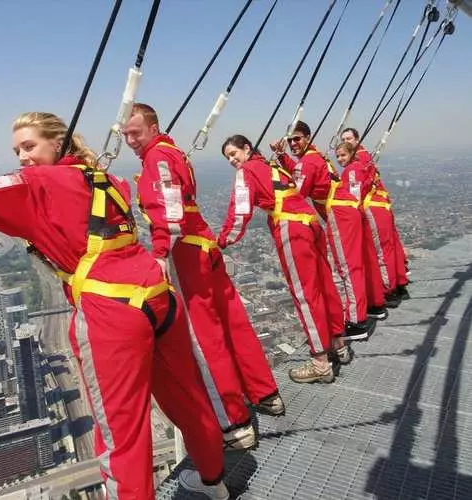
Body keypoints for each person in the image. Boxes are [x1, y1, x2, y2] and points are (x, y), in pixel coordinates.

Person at [0, 112, 229, 500]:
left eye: (29, 146)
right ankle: (214, 483)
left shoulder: (37, 183)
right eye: (17, 150)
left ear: (57, 144)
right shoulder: (109, 180)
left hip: (111, 311)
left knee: (121, 435)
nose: (23, 157)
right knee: (189, 398)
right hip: (159, 296)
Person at [123, 104, 284, 450]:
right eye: (125, 135)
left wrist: (161, 250)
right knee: (234, 323)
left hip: (185, 253)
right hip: (205, 244)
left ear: (153, 127)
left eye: (135, 132)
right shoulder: (174, 153)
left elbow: (168, 207)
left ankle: (234, 423)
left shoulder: (157, 158)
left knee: (203, 338)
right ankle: (265, 392)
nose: (130, 141)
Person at [219, 134, 353, 384]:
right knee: (325, 287)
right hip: (311, 223)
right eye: (228, 157)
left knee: (305, 295)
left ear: (247, 149)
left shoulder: (247, 171)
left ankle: (320, 363)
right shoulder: (273, 165)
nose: (231, 160)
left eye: (233, 154)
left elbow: (239, 212)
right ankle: (339, 346)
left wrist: (223, 241)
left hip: (291, 229)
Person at [271, 121, 387, 329]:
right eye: (290, 140)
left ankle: (356, 320)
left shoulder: (307, 162)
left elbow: (297, 193)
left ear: (307, 138)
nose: (292, 143)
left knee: (348, 266)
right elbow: (301, 170)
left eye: (297, 138)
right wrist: (282, 157)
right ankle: (375, 304)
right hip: (350, 209)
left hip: (340, 214)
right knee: (361, 259)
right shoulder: (315, 156)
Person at [340, 127, 410, 300]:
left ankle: (389, 291)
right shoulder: (364, 156)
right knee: (390, 246)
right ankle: (399, 284)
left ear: (356, 139)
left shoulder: (356, 161)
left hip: (372, 207)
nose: (346, 142)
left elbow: (354, 194)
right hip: (381, 205)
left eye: (349, 138)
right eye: (344, 139)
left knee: (380, 252)